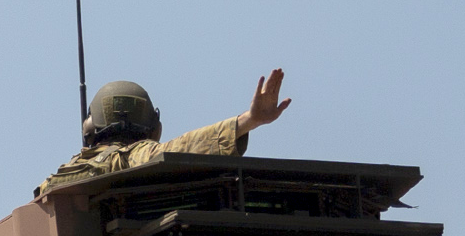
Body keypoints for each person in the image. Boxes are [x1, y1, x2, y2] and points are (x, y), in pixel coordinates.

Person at [38, 69, 290, 193]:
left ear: (90, 127)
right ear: (154, 127)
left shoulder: (64, 174)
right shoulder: (134, 156)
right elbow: (180, 150)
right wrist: (249, 121)